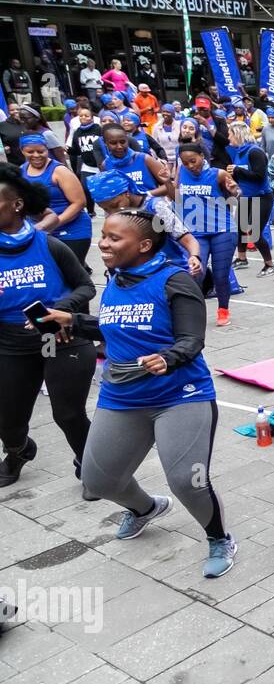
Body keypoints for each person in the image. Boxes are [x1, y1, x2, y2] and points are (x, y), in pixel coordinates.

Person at [41, 210, 238, 575]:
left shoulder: (175, 281)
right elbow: (117, 325)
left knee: (187, 481)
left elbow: (192, 340)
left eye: (115, 239)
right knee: (96, 480)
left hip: (180, 395)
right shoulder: (117, 279)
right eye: (104, 236)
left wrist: (169, 358)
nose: (103, 243)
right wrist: (72, 321)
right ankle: (146, 508)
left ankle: (219, 537)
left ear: (144, 245)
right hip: (121, 396)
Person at [0, 165, 96, 490]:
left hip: (62, 339)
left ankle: (90, 465)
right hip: (11, 344)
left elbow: (86, 287)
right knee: (8, 418)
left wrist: (62, 311)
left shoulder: (50, 245)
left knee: (68, 414)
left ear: (16, 205)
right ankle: (18, 451)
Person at [87, 170, 202, 276]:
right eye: (105, 209)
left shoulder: (156, 207)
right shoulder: (113, 213)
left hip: (168, 270)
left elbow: (188, 239)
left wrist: (194, 256)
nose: (112, 212)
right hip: (132, 274)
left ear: (126, 192)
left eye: (115, 205)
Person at [176, 143, 241, 326]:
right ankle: (193, 312)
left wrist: (234, 190)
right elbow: (175, 193)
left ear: (202, 156)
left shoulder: (217, 174)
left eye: (193, 161)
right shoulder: (180, 171)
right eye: (185, 162)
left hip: (222, 230)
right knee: (196, 273)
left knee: (221, 275)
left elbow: (235, 193)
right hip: (196, 232)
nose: (190, 165)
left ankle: (223, 309)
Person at [20, 134, 93, 270]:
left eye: (41, 151)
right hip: (40, 231)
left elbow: (79, 203)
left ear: (47, 149)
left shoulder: (59, 171)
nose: (36, 155)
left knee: (68, 271)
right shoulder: (21, 171)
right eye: (30, 152)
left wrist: (53, 222)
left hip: (71, 230)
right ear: (22, 151)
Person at [224, 121, 274, 276]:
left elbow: (259, 177)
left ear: (238, 134)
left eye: (230, 134)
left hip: (261, 196)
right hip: (245, 196)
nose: (228, 137)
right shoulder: (239, 152)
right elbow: (243, 176)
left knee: (254, 233)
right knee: (239, 227)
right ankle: (242, 258)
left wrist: (238, 170)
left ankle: (269, 264)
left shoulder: (254, 152)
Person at [99, 124, 170, 198]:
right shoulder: (106, 165)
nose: (119, 146)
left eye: (123, 142)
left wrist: (146, 195)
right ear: (105, 143)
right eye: (113, 143)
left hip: (149, 206)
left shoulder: (145, 159)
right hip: (123, 208)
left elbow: (169, 185)